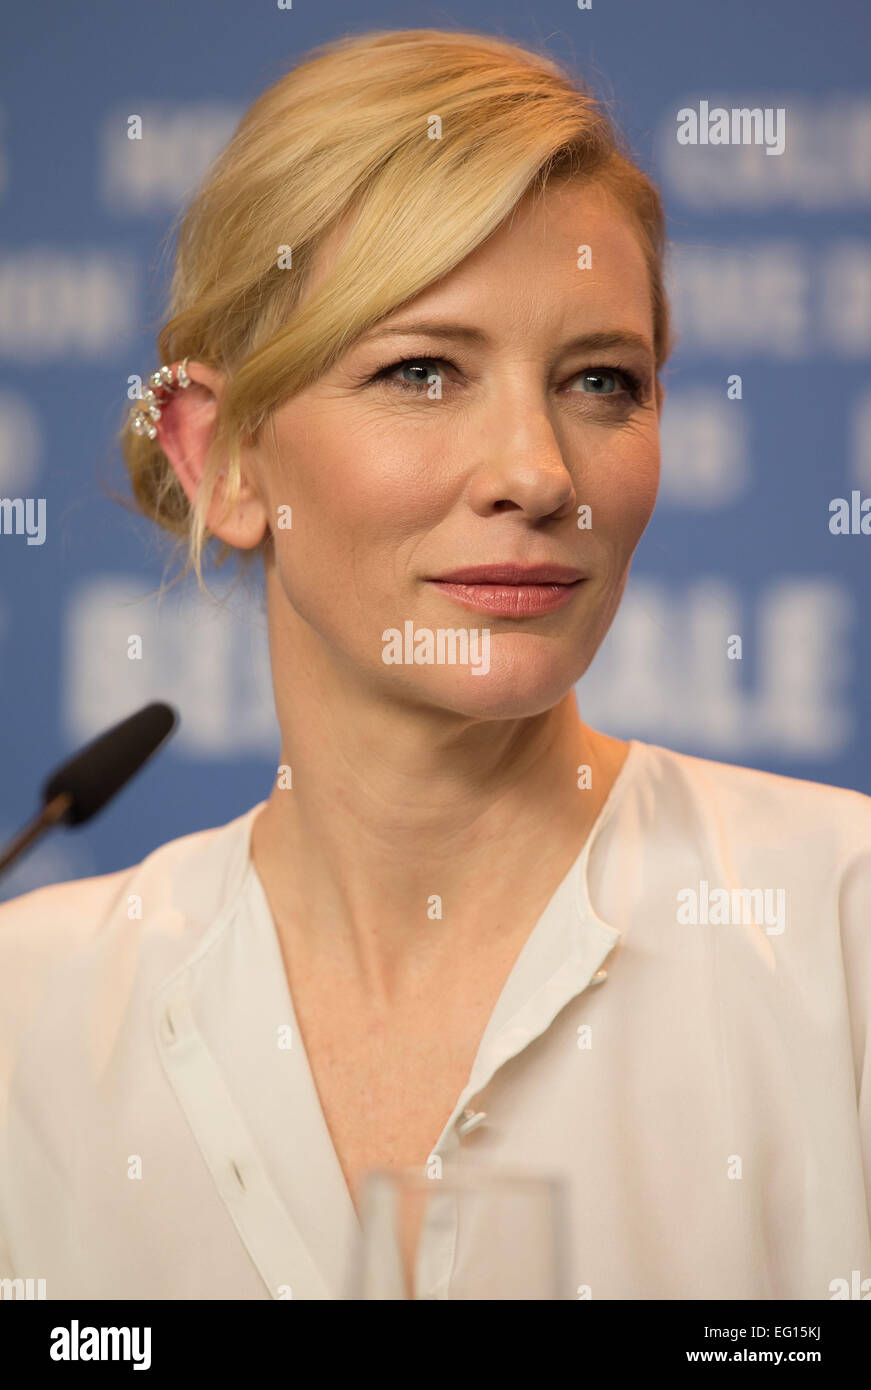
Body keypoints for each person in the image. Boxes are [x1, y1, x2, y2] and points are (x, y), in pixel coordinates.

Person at [0, 27, 868, 1302]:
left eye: (600, 381)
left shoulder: (843, 930)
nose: (537, 472)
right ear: (220, 458)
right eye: (422, 369)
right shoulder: (28, 1017)